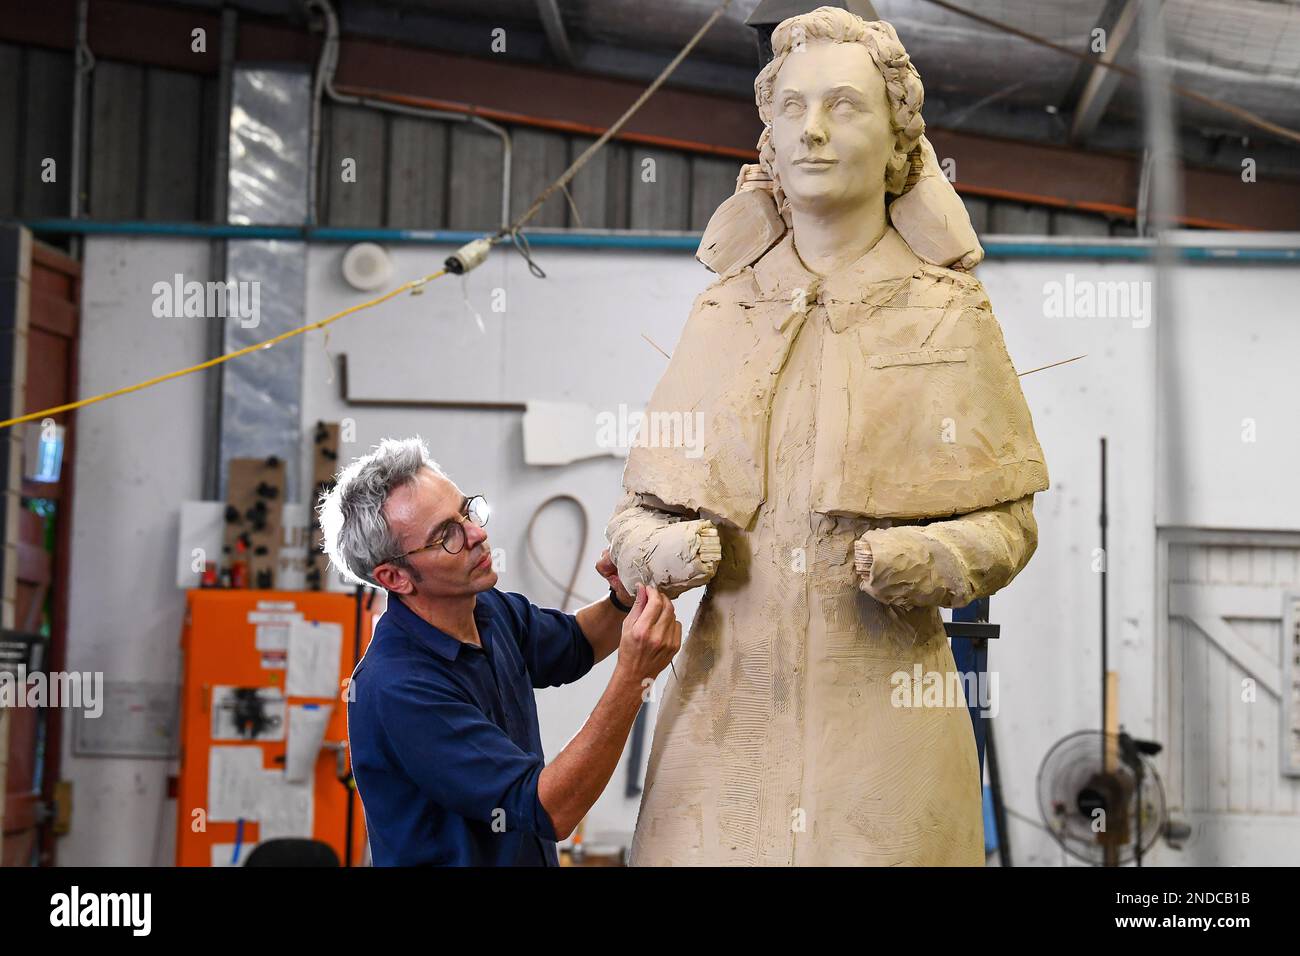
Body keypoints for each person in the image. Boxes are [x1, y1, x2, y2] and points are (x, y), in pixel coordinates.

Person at [606, 8, 1048, 865]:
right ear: (766, 138)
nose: (812, 130)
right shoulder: (722, 311)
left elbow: (1009, 524)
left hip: (886, 716)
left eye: (844, 106)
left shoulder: (945, 311)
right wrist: (666, 553)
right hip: (723, 713)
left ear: (896, 144)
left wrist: (930, 560)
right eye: (792, 109)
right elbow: (631, 520)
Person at [319, 436, 680, 865]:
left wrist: (620, 599)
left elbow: (574, 644)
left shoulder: (485, 609)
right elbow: (549, 809)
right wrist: (634, 677)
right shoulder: (399, 687)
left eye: (466, 511)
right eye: (446, 536)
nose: (477, 533)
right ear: (395, 578)